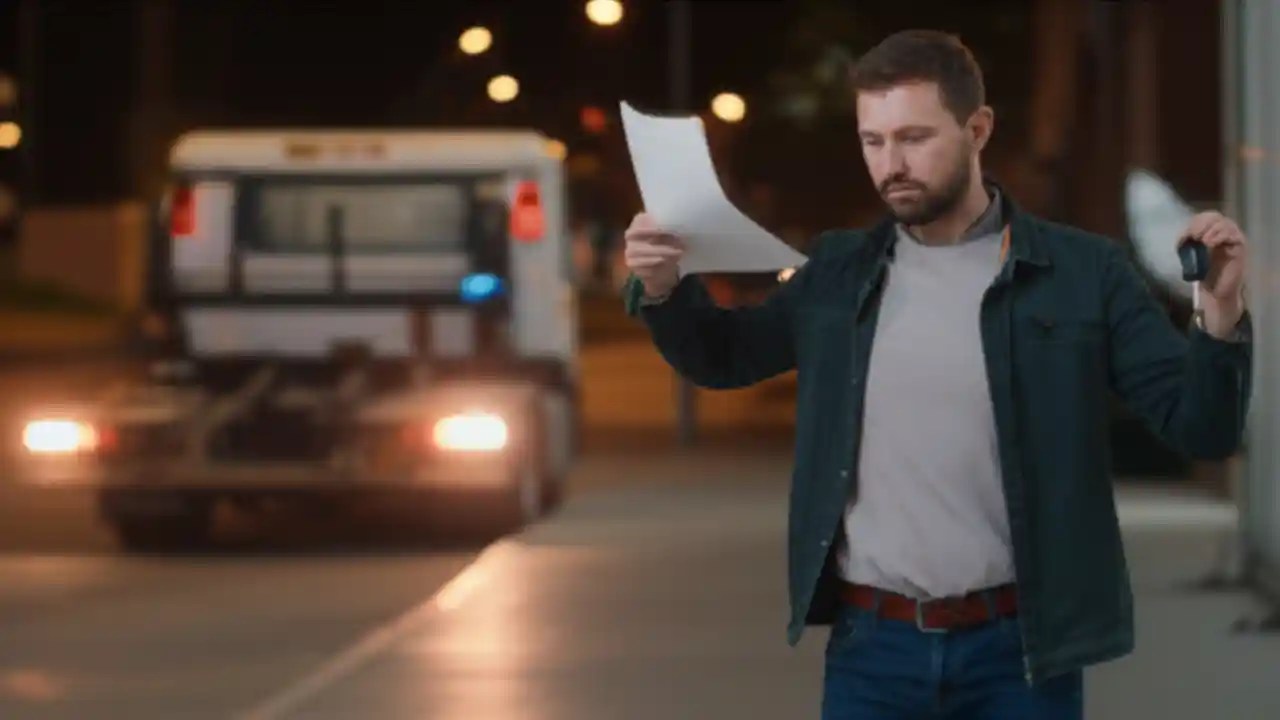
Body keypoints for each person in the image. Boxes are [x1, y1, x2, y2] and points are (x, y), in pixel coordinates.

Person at [620, 29, 1252, 720]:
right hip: (873, 653)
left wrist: (1218, 319)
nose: (891, 163)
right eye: (872, 141)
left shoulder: (1081, 274)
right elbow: (724, 357)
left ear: (977, 128)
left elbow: (1201, 425)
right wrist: (663, 290)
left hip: (1021, 656)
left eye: (914, 137)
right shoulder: (839, 272)